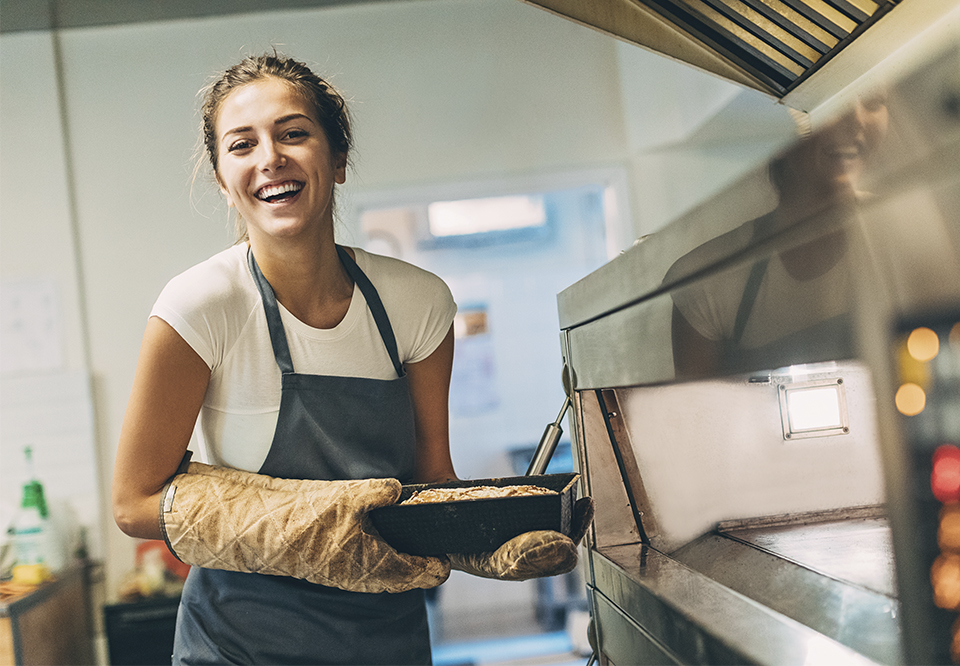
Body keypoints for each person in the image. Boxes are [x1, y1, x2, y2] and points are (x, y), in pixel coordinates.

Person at [111, 53, 591, 665]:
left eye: (293, 133)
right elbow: (133, 503)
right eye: (242, 145)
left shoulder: (414, 302)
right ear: (222, 182)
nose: (270, 158)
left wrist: (486, 540)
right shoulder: (201, 306)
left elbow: (429, 481)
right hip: (235, 647)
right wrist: (308, 524)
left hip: (386, 643)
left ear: (337, 160)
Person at [668, 94, 890, 378]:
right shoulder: (704, 281)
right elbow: (697, 415)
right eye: (829, 99)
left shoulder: (915, 234)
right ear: (775, 134)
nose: (856, 120)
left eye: (873, 101)